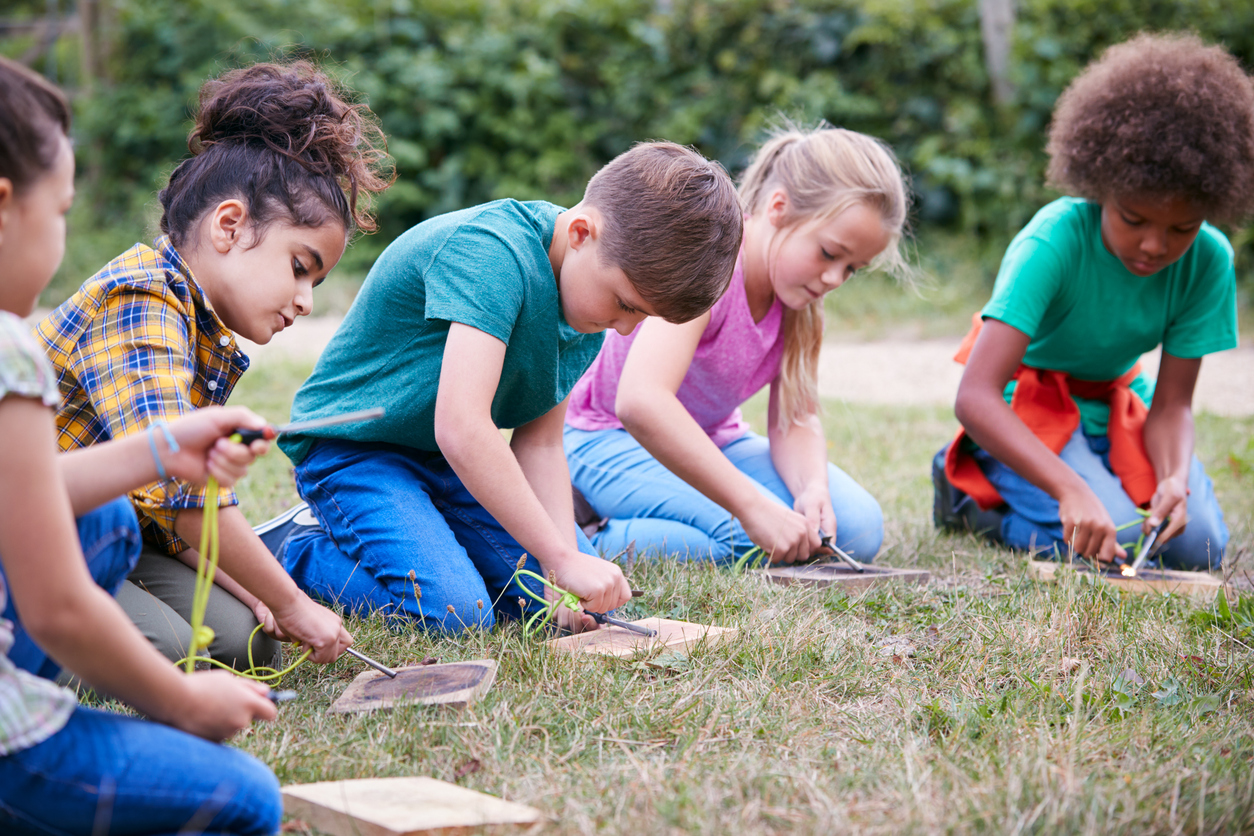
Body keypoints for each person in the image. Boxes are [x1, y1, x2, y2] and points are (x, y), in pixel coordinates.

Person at [270, 141, 743, 632]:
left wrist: (560, 574)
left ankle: (432, 530)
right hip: (354, 450)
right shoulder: (492, 253)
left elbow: (539, 445)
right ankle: (294, 548)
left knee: (560, 608)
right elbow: (462, 427)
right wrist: (560, 555)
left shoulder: (587, 313)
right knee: (457, 614)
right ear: (581, 233)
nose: (624, 328)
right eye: (626, 304)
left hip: (443, 462)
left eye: (641, 316)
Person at [0, 55, 281, 835]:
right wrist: (186, 704)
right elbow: (57, 608)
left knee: (103, 521)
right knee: (246, 798)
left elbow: (21, 493)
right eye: (59, 212)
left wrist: (160, 450)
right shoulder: (8, 346)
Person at [35, 60, 390, 670]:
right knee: (169, 651)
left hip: (115, 534)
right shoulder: (138, 297)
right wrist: (299, 605)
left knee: (251, 642)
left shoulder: (200, 324)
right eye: (300, 267)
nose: (306, 301)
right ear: (229, 226)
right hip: (33, 535)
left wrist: (265, 597)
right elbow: (182, 495)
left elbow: (162, 507)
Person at [932, 33, 1254, 569]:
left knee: (1197, 547)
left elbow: (1173, 405)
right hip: (1024, 410)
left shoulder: (1208, 260)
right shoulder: (1052, 242)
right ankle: (971, 500)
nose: (1155, 245)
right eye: (1133, 218)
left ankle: (1092, 486)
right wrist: (1069, 488)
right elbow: (976, 397)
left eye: (1182, 227)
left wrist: (1175, 478)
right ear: (1100, 184)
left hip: (1113, 406)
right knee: (1121, 542)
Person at [564, 126, 909, 565]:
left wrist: (812, 488)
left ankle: (694, 526)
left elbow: (794, 418)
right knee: (757, 535)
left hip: (712, 440)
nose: (834, 279)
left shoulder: (801, 300)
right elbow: (641, 401)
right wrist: (751, 505)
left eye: (852, 269)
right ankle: (588, 534)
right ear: (778, 208)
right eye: (829, 253)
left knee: (854, 528)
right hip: (606, 441)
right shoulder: (709, 269)